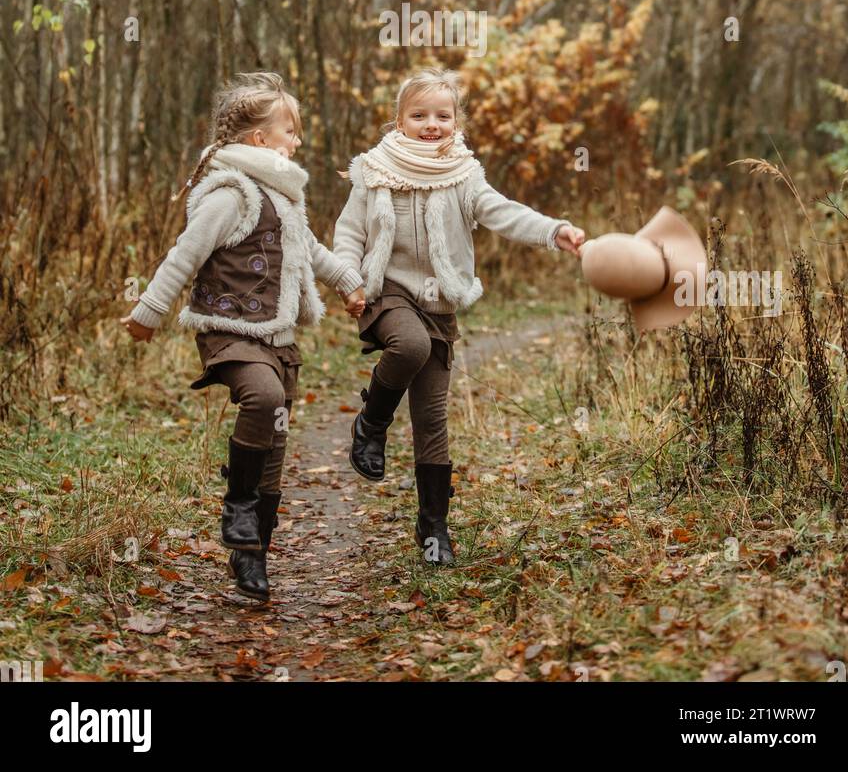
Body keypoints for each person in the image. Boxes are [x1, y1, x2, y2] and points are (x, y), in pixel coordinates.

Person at [121, 71, 365, 600]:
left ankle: (252, 556)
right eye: (291, 132)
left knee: (274, 440)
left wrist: (347, 282)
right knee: (264, 396)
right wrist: (149, 309)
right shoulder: (232, 194)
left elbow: (311, 251)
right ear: (260, 140)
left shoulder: (283, 196)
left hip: (276, 336)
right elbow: (185, 253)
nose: (297, 142)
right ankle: (237, 505)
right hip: (229, 330)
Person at [333, 66, 584, 566]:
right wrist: (348, 278)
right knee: (410, 345)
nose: (432, 124)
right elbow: (349, 233)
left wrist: (553, 230)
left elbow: (504, 212)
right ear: (398, 120)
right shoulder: (374, 170)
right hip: (387, 294)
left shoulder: (464, 176)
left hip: (440, 304)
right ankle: (373, 421)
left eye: (443, 116)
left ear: (456, 120)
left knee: (432, 419)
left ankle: (433, 532)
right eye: (419, 115)